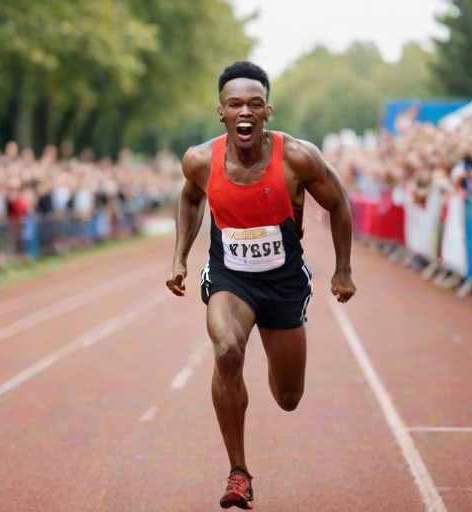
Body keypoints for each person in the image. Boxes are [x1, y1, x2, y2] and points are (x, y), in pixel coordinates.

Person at [165, 61, 356, 510]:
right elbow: (191, 197)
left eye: (254, 103)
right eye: (235, 104)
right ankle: (238, 472)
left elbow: (339, 203)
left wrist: (343, 268)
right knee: (227, 349)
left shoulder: (297, 157)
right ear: (221, 112)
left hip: (284, 283)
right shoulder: (199, 160)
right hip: (230, 278)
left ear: (268, 111)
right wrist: (179, 257)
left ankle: (277, 361)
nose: (244, 111)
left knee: (288, 397)